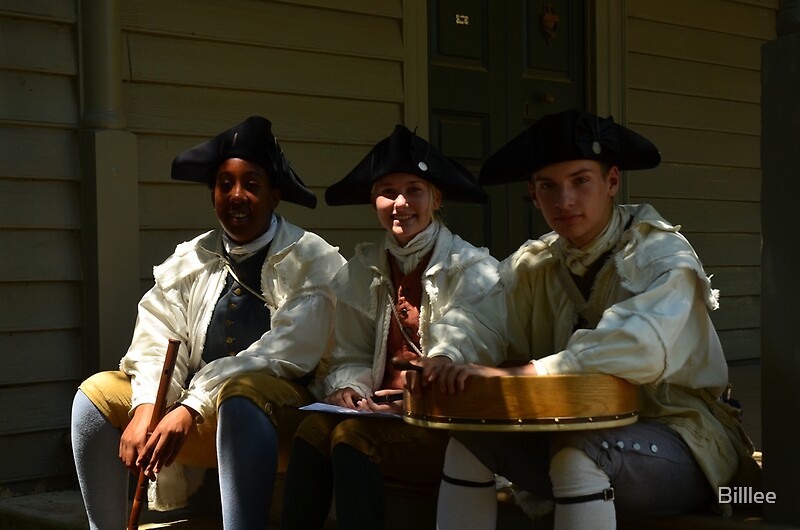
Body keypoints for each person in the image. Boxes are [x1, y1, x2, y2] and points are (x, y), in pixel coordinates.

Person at [434, 109, 759, 529]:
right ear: (533, 194)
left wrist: (527, 373)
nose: (564, 200)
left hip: (683, 439)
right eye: (548, 186)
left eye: (580, 181)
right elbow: (482, 319)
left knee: (579, 453)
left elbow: (638, 345)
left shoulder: (662, 253)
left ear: (611, 182)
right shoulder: (536, 263)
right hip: (574, 427)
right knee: (469, 441)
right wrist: (446, 354)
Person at [70, 116, 346, 530]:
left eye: (251, 184)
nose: (237, 196)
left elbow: (286, 351)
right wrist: (147, 406)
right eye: (225, 183)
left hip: (283, 420)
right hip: (195, 412)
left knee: (240, 397)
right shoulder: (191, 258)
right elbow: (156, 333)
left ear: (275, 196)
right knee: (95, 397)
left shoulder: (314, 261)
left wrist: (191, 406)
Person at [280, 124, 507, 529]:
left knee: (352, 438)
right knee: (314, 428)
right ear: (374, 203)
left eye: (414, 190)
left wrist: (421, 393)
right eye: (387, 191)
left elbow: (475, 345)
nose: (400, 203)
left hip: (448, 425)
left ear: (436, 198)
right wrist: (352, 389)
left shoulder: (472, 270)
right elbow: (352, 352)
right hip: (380, 414)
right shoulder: (363, 269)